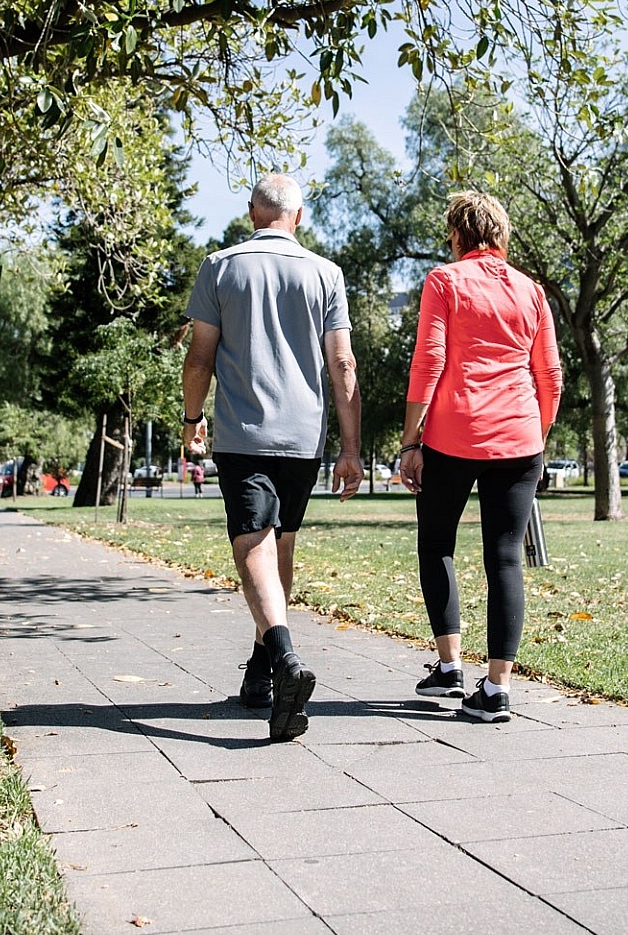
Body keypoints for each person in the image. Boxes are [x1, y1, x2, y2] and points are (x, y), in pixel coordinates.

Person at [183, 174, 363, 740]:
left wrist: (192, 418)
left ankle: (283, 657)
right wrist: (351, 448)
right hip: (304, 437)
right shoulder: (326, 274)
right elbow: (344, 366)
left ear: (251, 213)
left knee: (251, 543)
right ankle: (260, 676)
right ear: (299, 217)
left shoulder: (220, 266)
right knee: (279, 540)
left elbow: (200, 355)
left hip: (244, 432)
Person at [397, 191, 561, 722]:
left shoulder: (444, 281)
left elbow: (429, 361)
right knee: (505, 558)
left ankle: (450, 667)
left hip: (452, 436)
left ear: (457, 235)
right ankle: (496, 689)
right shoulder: (532, 291)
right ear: (501, 234)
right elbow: (550, 376)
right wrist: (535, 432)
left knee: (437, 544)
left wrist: (410, 441)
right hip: (519, 437)